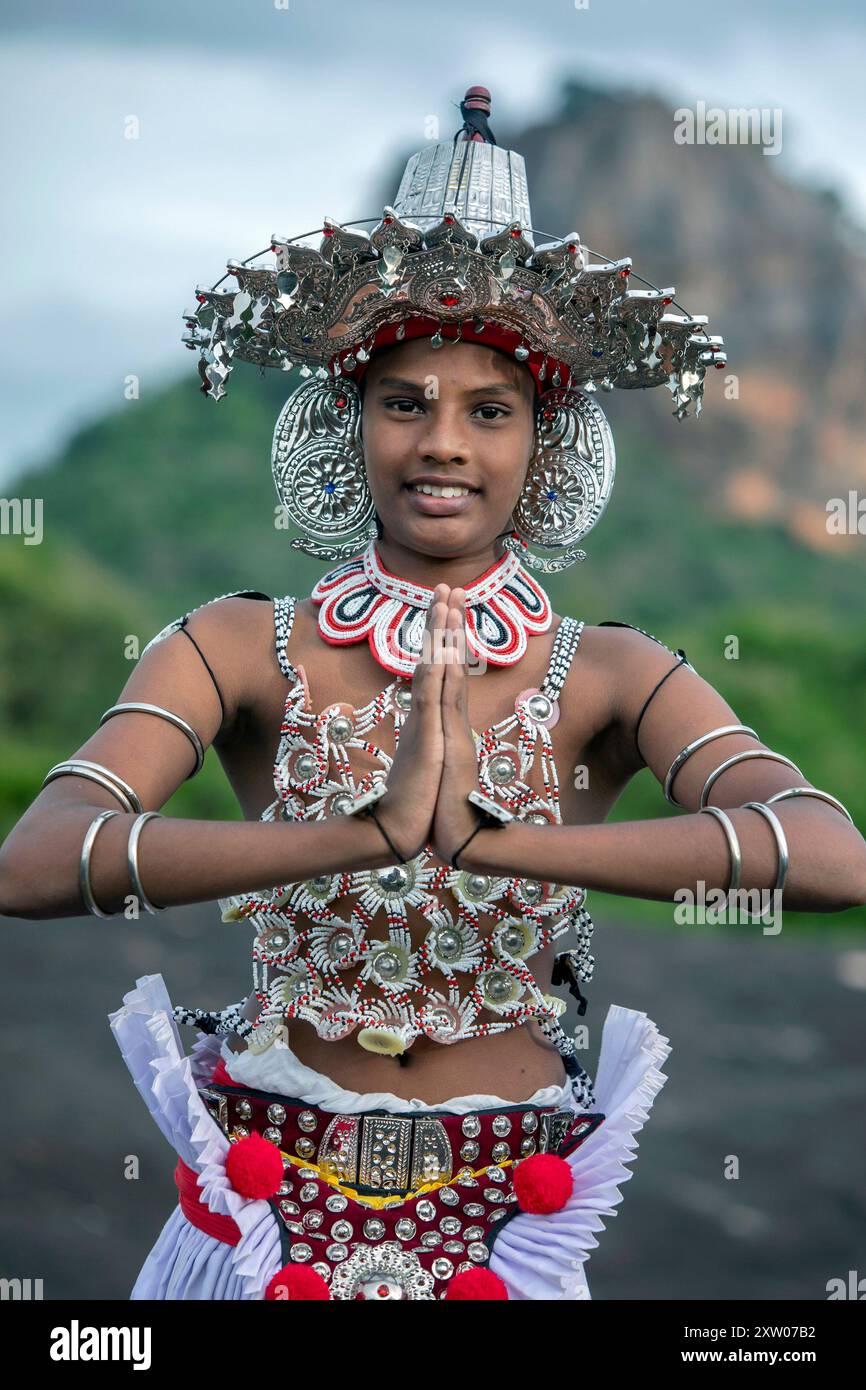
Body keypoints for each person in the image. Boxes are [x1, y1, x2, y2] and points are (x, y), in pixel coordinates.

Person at [2, 86, 864, 1302]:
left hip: (503, 1239)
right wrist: (354, 837)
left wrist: (504, 847)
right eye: (404, 402)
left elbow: (829, 855)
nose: (443, 443)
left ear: (545, 442)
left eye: (489, 411)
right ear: (344, 421)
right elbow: (35, 860)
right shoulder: (235, 645)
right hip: (262, 1224)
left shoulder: (613, 672)